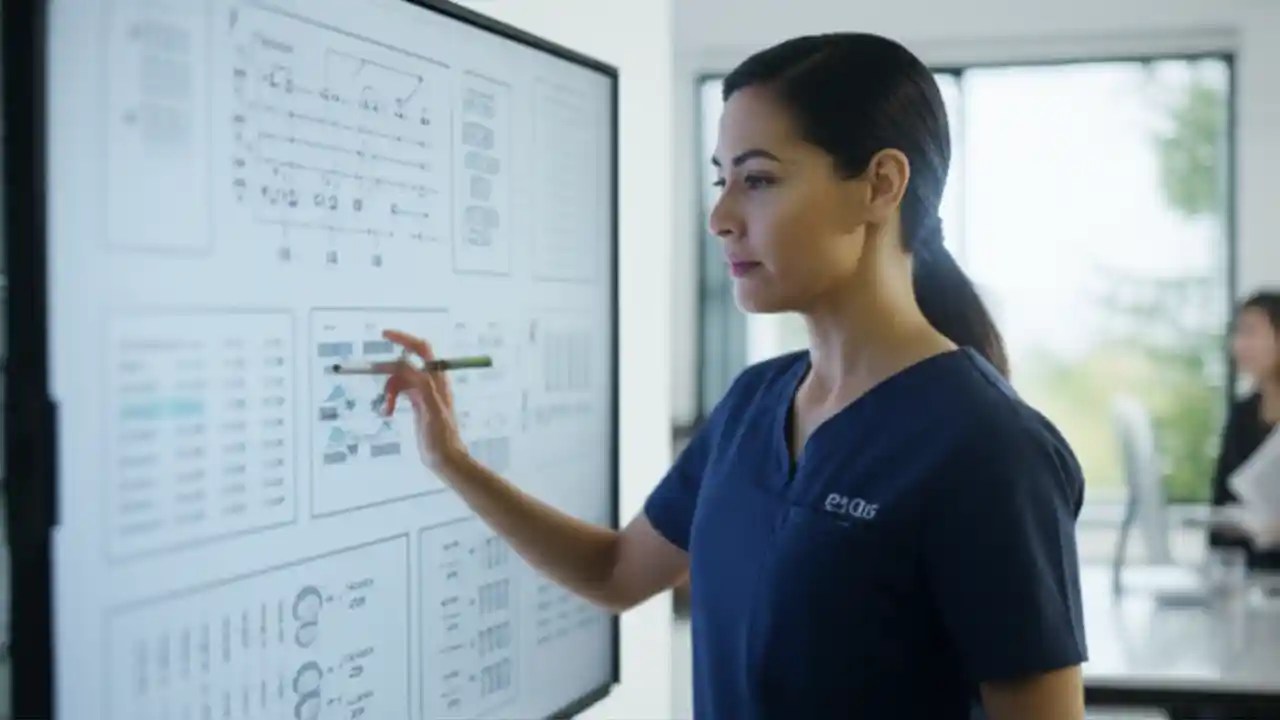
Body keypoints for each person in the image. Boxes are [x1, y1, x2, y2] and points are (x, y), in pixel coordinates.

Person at [381, 32, 1088, 720]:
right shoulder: (756, 401)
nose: (720, 217)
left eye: (757, 180)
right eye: (722, 181)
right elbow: (617, 573)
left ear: (879, 185)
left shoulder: (988, 449)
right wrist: (452, 460)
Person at [1210, 291, 1280, 570]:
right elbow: (1221, 503)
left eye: (1251, 333)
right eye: (1237, 334)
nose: (1239, 345)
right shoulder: (1242, 414)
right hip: (1251, 574)